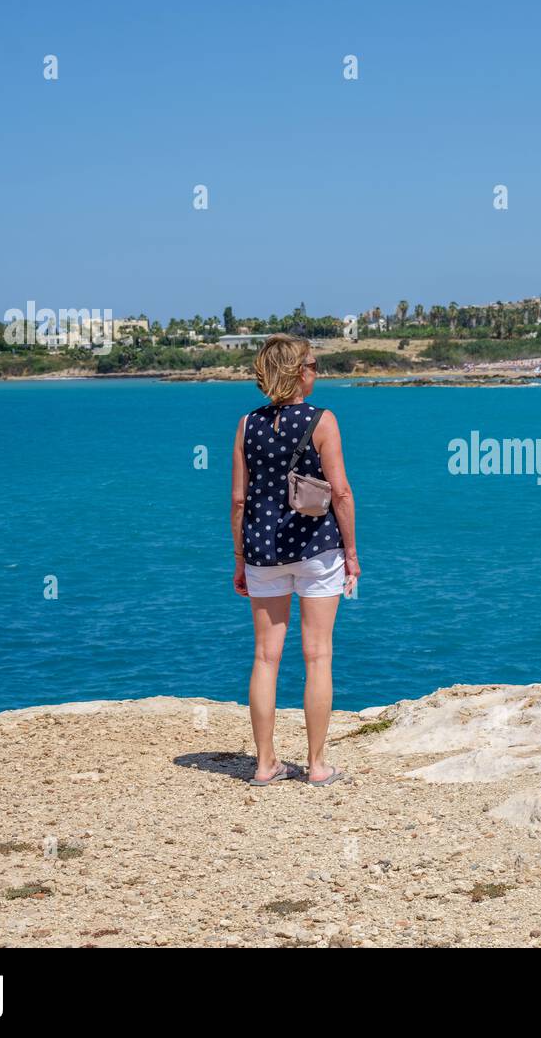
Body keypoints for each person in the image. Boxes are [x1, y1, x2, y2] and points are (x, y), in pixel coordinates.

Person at [230, 335, 359, 786]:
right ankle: (317, 765)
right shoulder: (322, 420)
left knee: (266, 658)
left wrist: (241, 559)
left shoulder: (247, 425)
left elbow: (239, 500)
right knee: (318, 654)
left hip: (263, 552)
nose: (316, 371)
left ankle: (265, 765)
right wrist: (353, 554)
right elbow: (340, 493)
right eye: (314, 364)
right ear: (298, 371)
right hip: (317, 549)